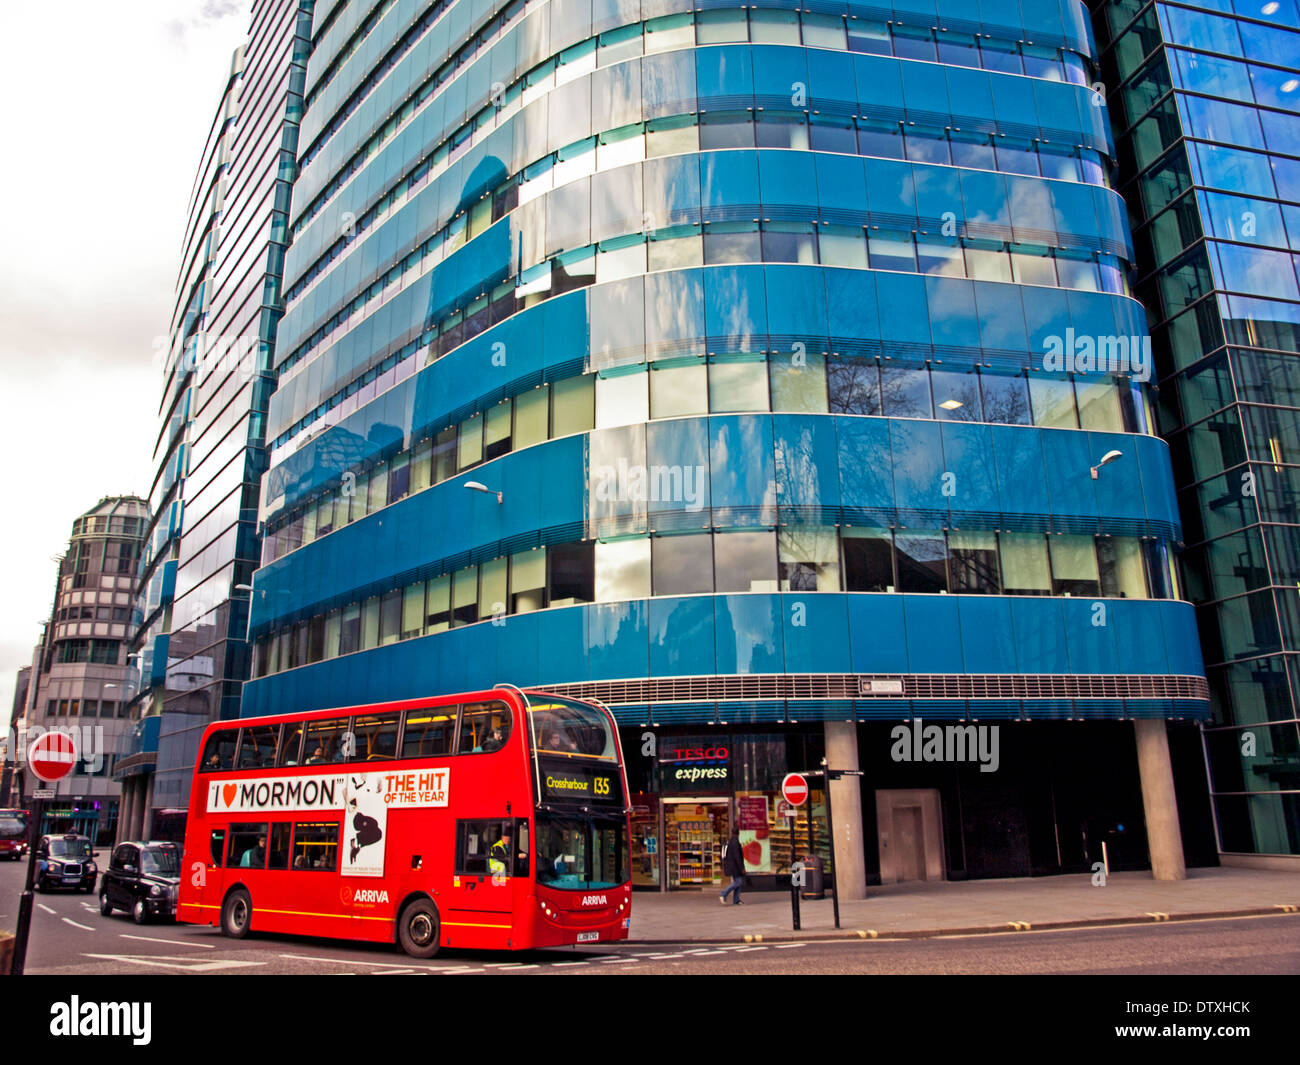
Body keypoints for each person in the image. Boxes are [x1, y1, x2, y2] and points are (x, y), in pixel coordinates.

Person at [719, 832, 745, 906]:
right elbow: (737, 857)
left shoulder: (729, 842)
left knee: (738, 882)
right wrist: (742, 867)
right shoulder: (735, 843)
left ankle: (736, 900)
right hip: (735, 867)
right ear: (738, 833)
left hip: (732, 866)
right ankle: (723, 893)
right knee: (738, 882)